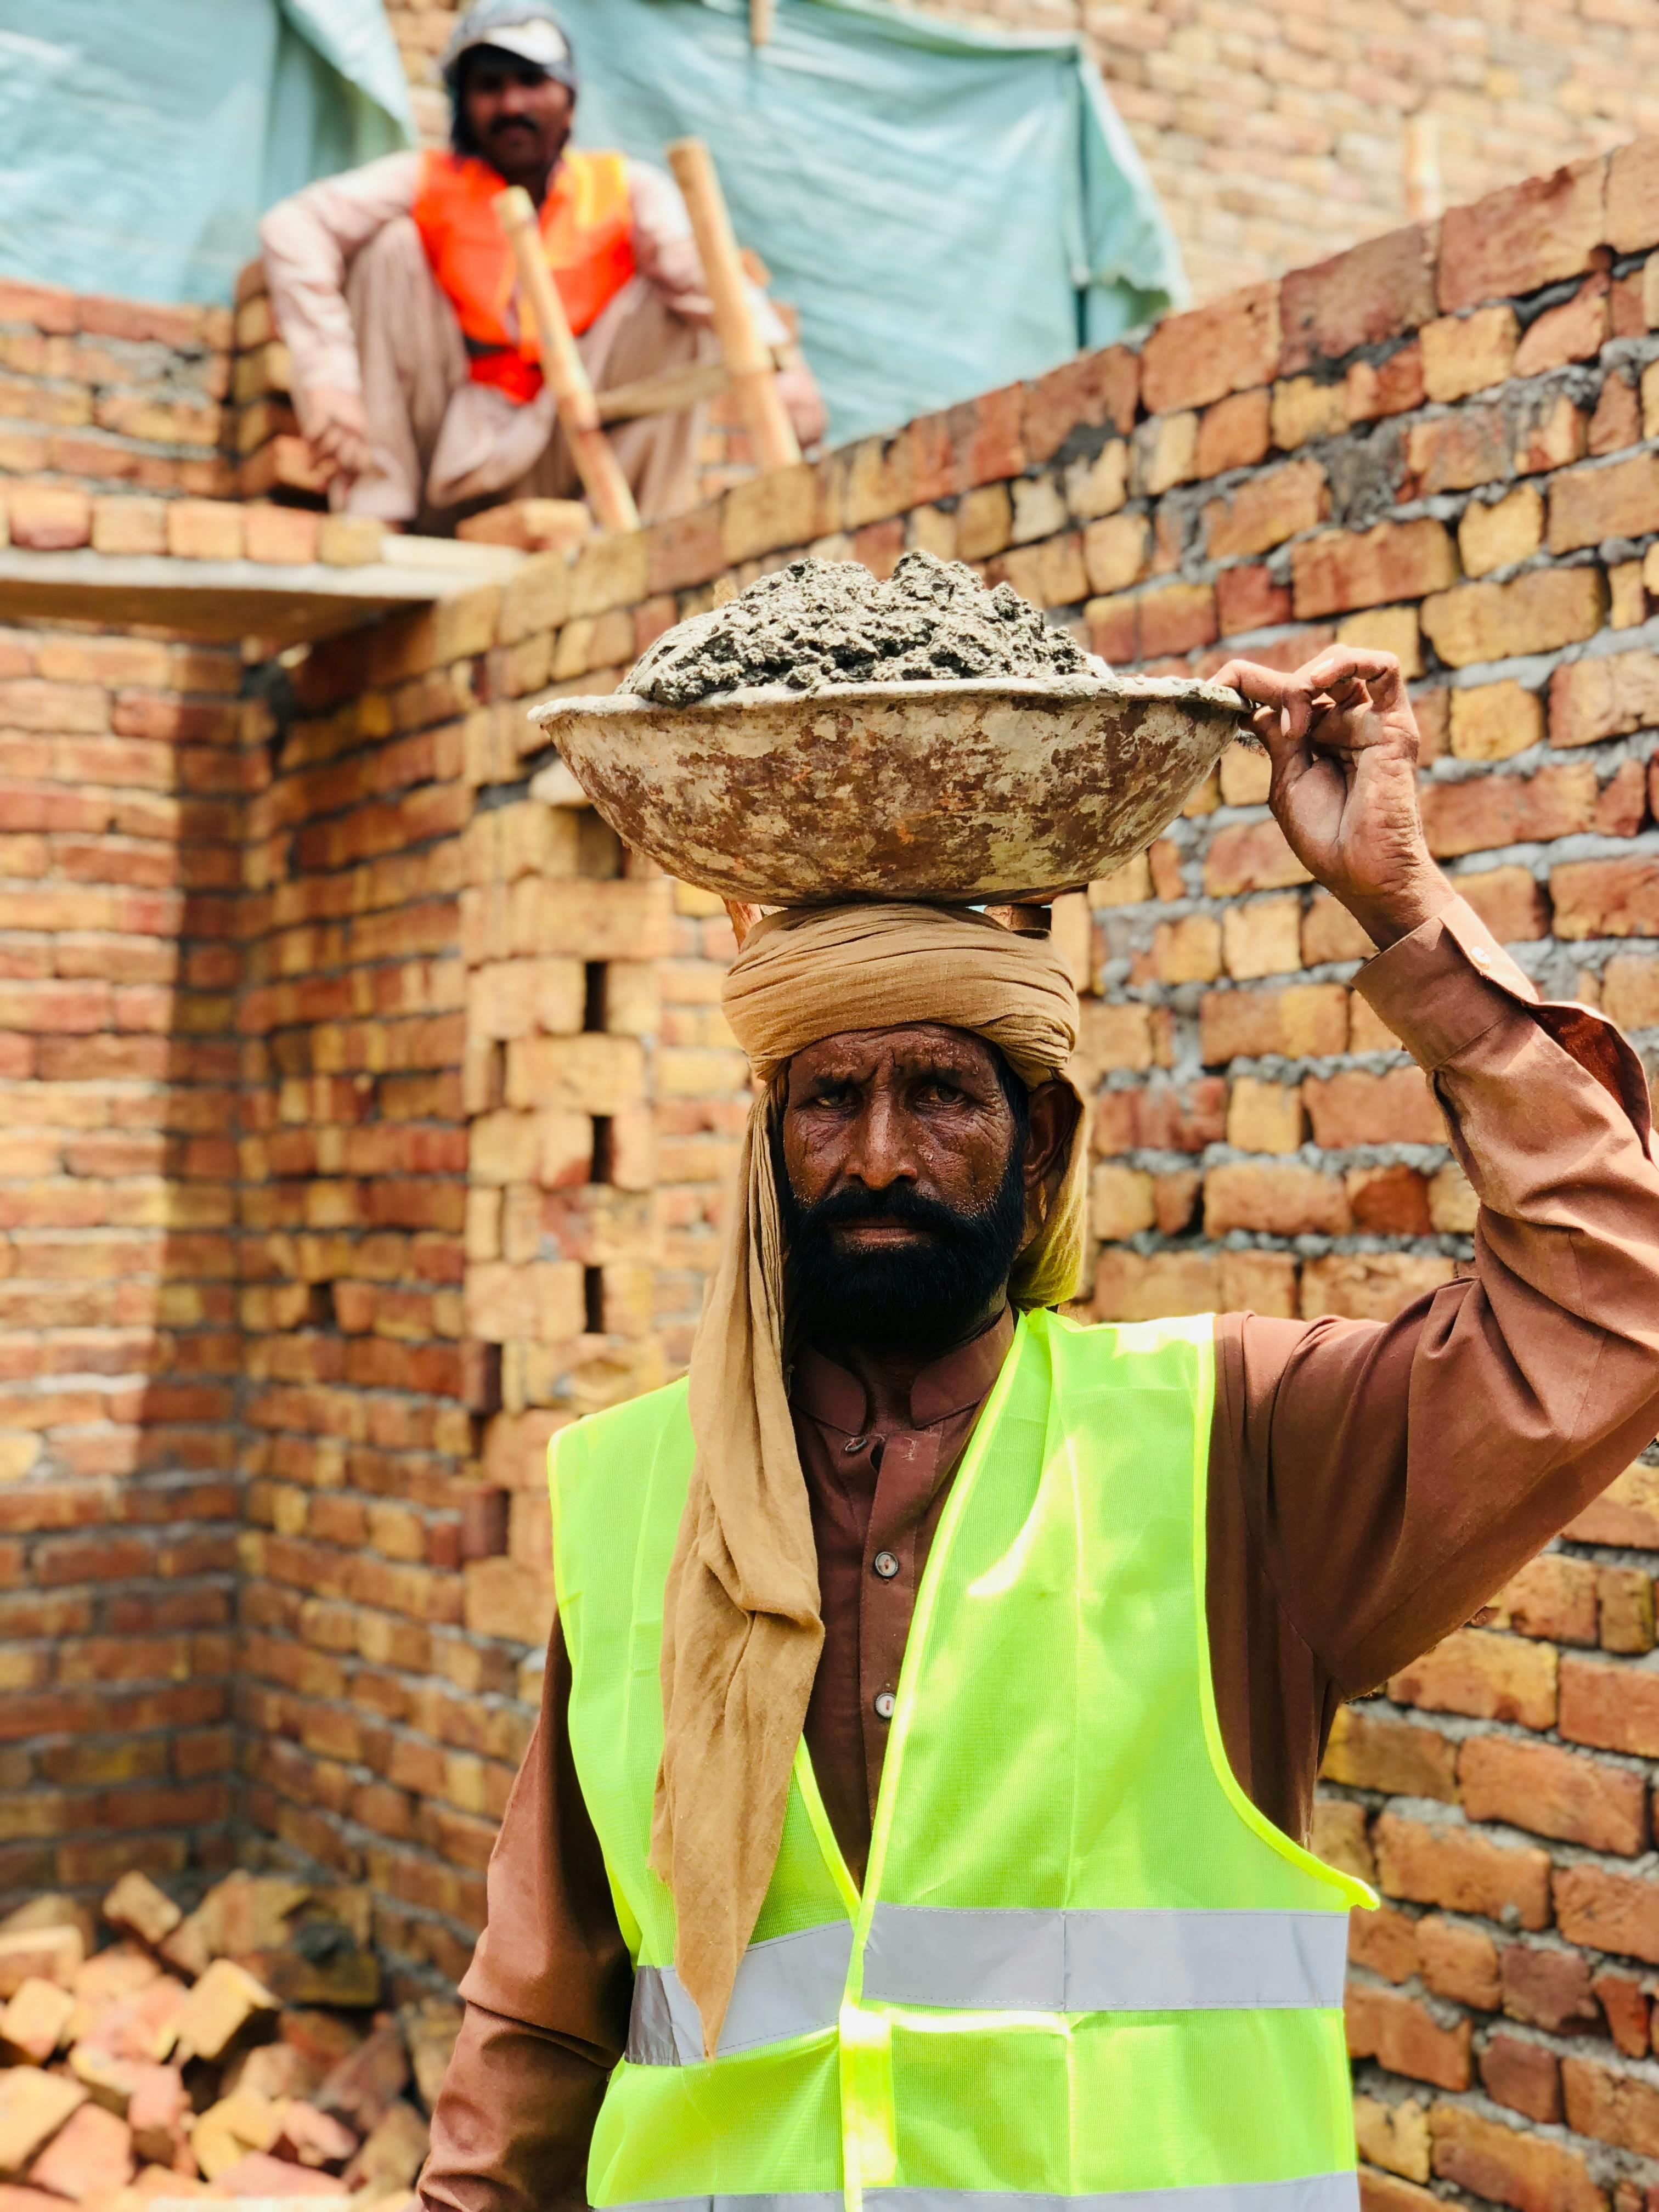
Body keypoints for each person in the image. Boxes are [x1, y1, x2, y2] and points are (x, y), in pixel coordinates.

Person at [420, 645, 1659, 2212]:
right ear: (769, 1143)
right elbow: (539, 2019)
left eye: (943, 1093)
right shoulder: (634, 1492)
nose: (880, 1155)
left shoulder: (1236, 1452)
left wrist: (1405, 913)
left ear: (1043, 1137)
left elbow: (1606, 1312)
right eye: (829, 1099)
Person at [258, 0, 825, 533]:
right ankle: (376, 513)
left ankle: (632, 540)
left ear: (570, 100)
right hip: (453, 454)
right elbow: (291, 227)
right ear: (463, 104)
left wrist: (785, 365)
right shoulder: (428, 180)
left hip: (574, 456)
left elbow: (703, 274)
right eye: (489, 86)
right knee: (389, 248)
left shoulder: (624, 189)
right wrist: (329, 382)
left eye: (531, 81)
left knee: (682, 304)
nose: (512, 105)